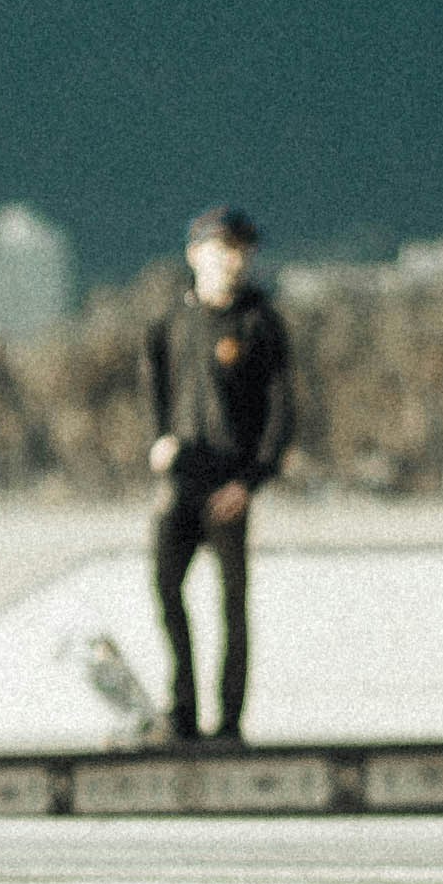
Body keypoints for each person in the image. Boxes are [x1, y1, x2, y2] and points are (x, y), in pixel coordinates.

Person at [138, 207, 294, 745]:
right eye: (224, 249)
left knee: (233, 608)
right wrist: (156, 441)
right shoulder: (171, 322)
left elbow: (281, 413)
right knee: (164, 589)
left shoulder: (260, 323)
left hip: (230, 487)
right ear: (195, 254)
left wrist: (250, 482)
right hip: (182, 480)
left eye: (243, 251)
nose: (235, 260)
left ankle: (228, 724)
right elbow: (152, 387)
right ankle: (182, 711)